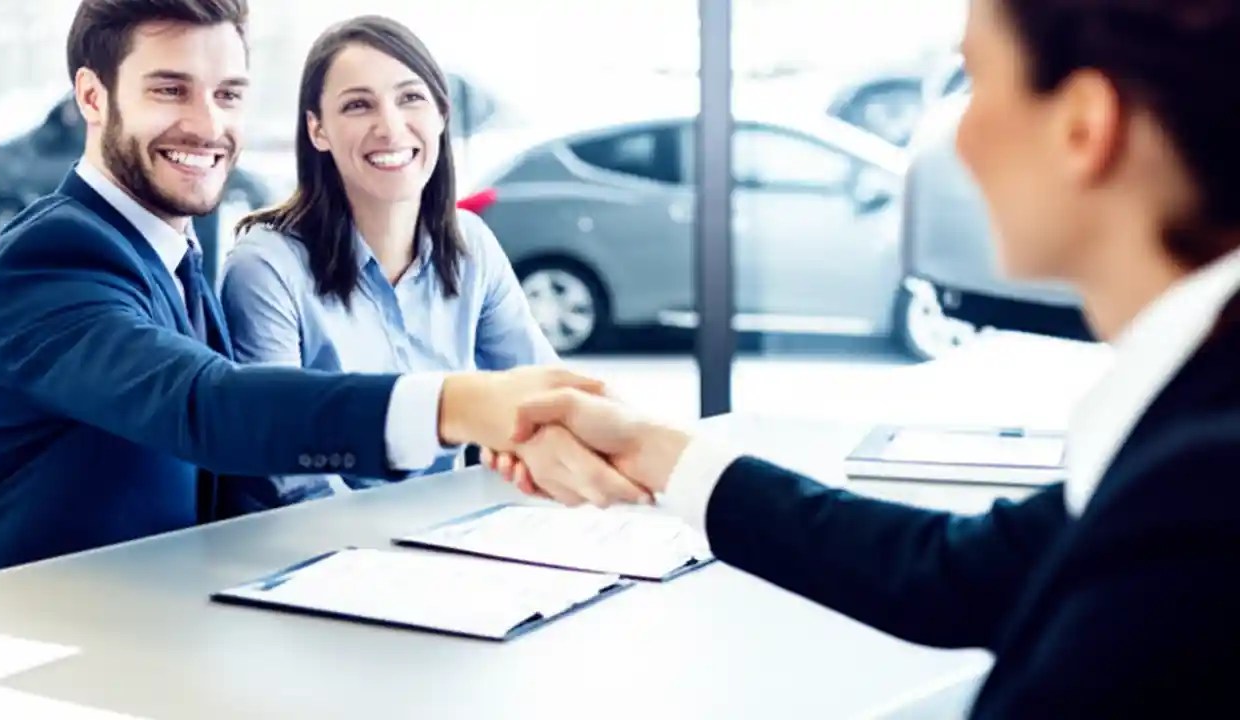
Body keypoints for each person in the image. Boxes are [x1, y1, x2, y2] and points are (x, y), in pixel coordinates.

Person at [489, 0, 1240, 714]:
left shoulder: (1199, 488)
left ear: (1083, 126)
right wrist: (660, 453)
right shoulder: (1190, 424)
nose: (953, 140)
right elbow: (951, 576)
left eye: (975, 82)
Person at [0, 0, 634, 578]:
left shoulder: (177, 256)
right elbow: (207, 408)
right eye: (170, 89)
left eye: (227, 94)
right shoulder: (56, 257)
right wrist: (458, 404)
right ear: (92, 97)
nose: (207, 123)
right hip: (36, 646)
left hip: (166, 619)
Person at [219, 15, 557, 507]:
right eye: (358, 105)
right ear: (318, 130)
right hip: (319, 552)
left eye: (410, 97)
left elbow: (540, 398)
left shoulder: (471, 246)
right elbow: (286, 471)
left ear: (441, 113)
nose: (390, 126)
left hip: (446, 534)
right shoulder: (266, 267)